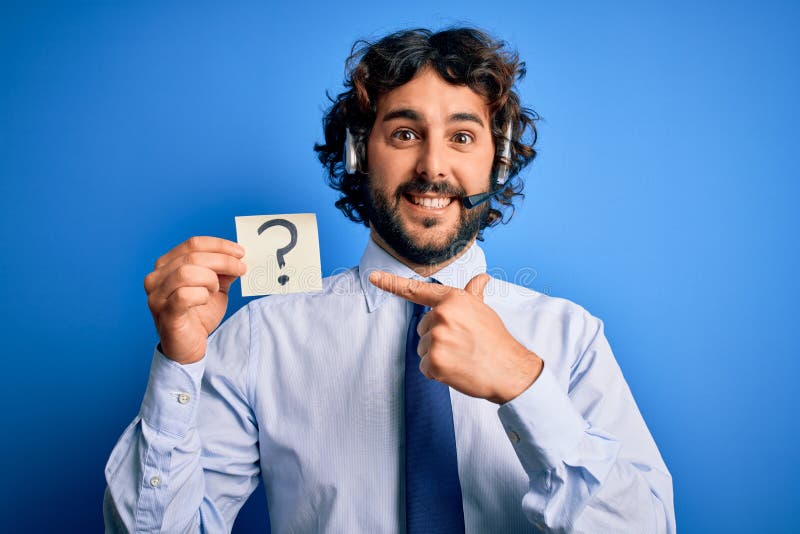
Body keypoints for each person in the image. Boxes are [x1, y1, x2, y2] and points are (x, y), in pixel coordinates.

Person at [104, 27, 675, 533]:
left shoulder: (570, 337)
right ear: (358, 152)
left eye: (462, 137)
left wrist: (523, 384)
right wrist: (179, 361)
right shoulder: (262, 336)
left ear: (497, 161)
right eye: (405, 134)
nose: (432, 166)